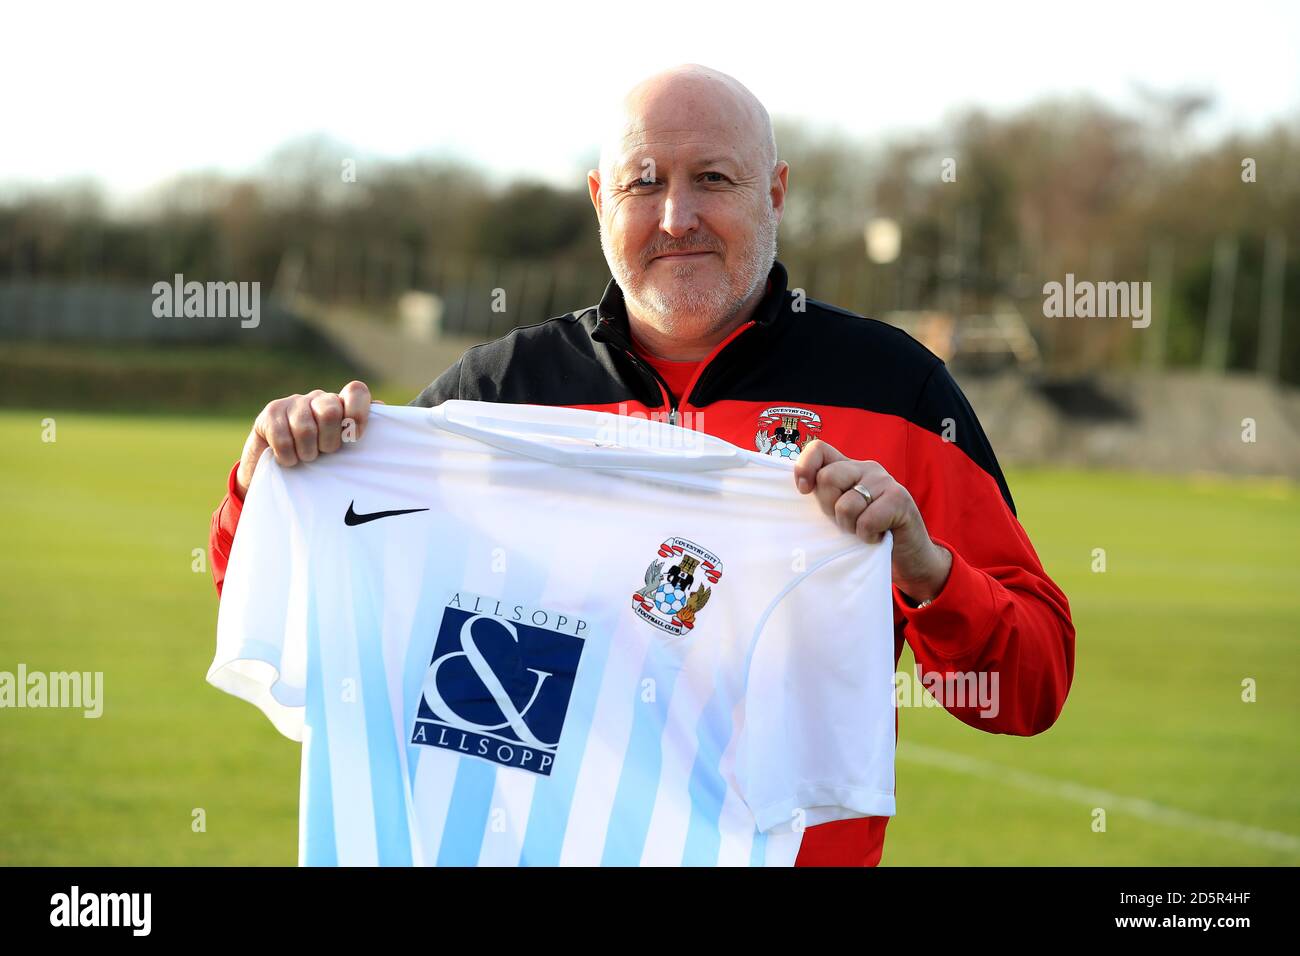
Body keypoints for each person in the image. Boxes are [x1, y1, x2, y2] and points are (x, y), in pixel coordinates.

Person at [209, 63, 1075, 866]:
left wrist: (929, 573)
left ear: (776, 191)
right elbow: (309, 584)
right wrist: (276, 475)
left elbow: (1032, 688)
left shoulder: (897, 392)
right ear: (599, 201)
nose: (676, 216)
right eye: (644, 183)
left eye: (714, 178)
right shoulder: (493, 399)